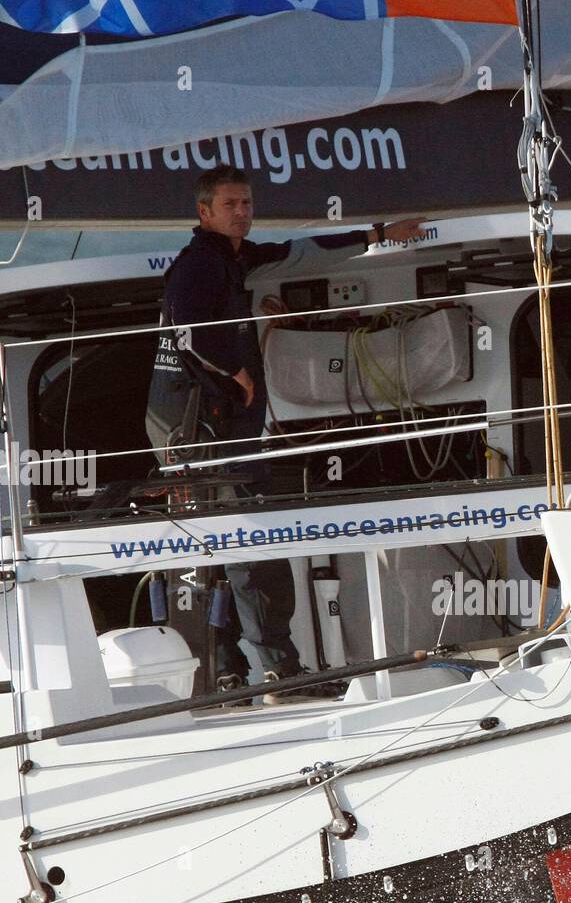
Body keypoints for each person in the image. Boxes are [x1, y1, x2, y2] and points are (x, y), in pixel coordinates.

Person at [145, 164, 426, 701]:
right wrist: (239, 371)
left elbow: (300, 253)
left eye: (247, 203)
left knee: (219, 552)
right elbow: (188, 325)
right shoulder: (199, 264)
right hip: (205, 431)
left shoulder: (230, 258)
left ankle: (229, 673)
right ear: (204, 212)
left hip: (197, 431)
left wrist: (377, 235)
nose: (243, 213)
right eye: (231, 205)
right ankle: (280, 672)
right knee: (250, 547)